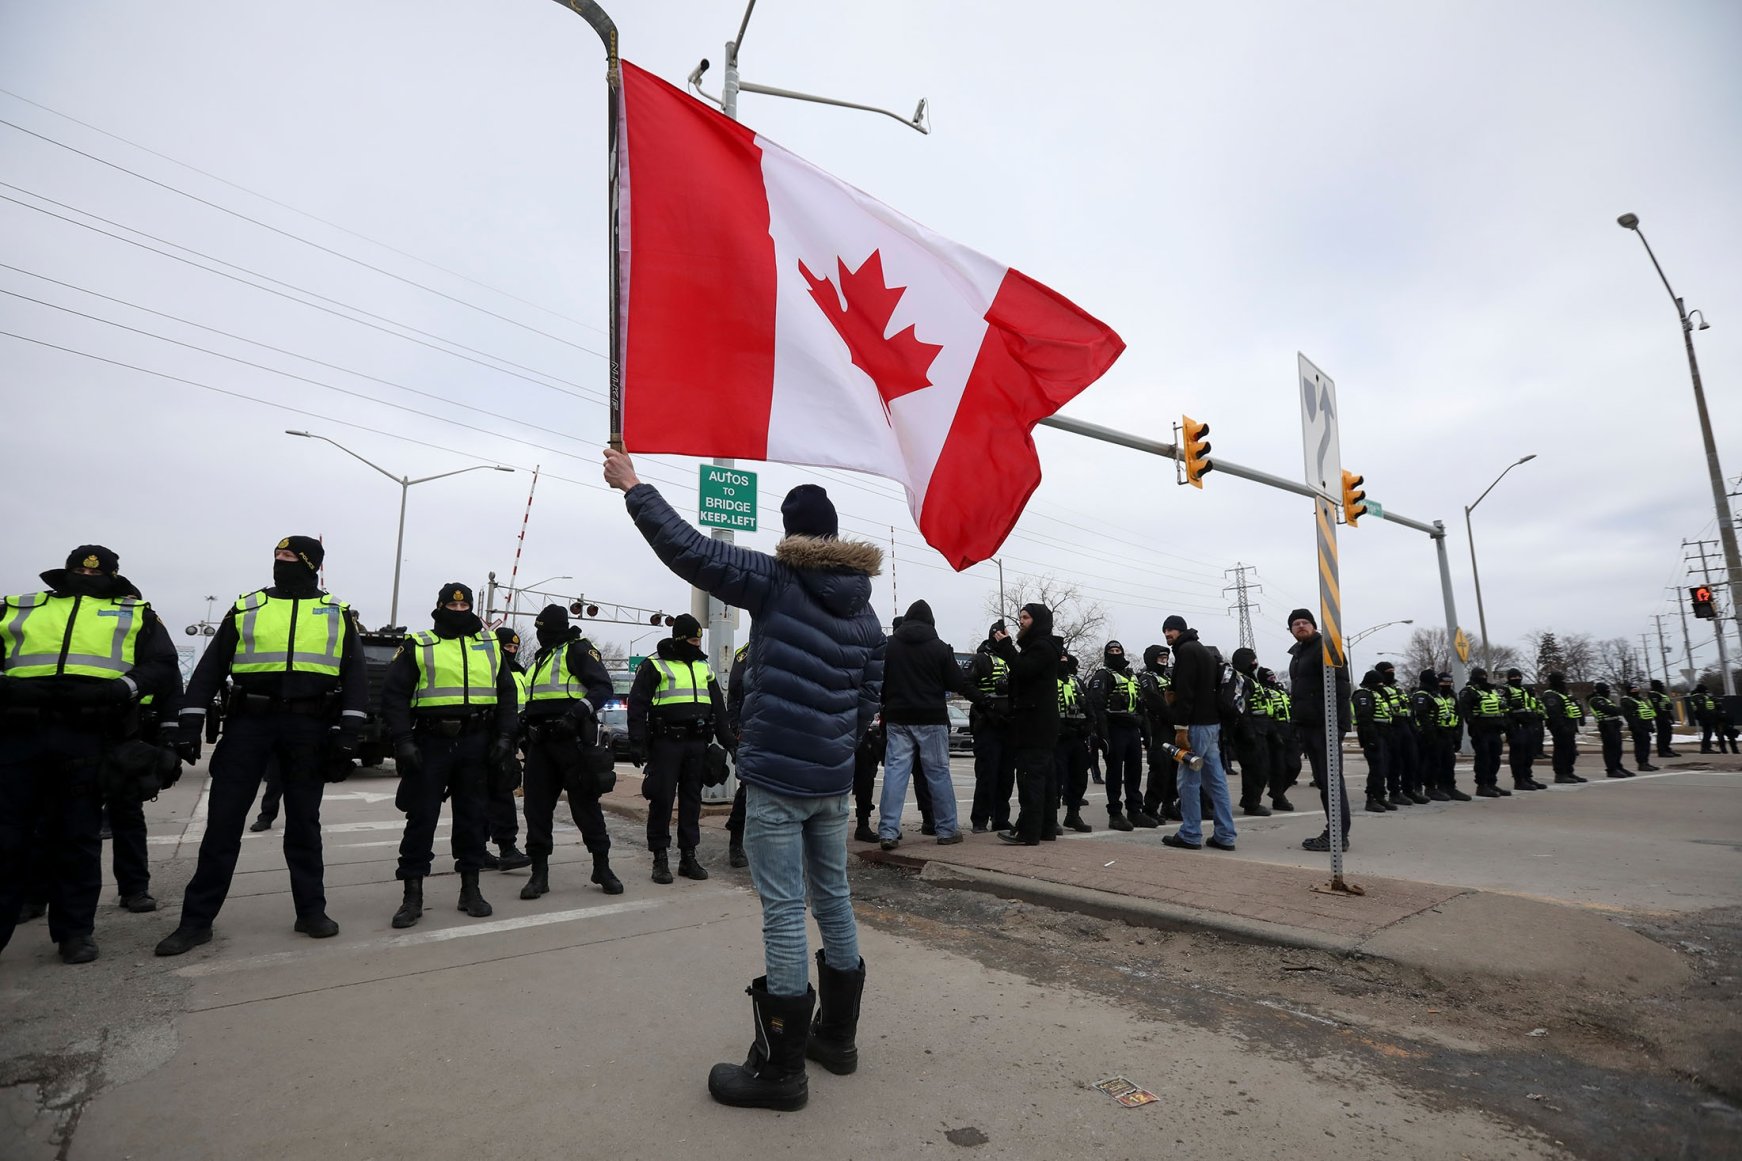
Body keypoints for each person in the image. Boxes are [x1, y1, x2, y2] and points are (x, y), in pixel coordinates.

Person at [605, 451, 882, 1112]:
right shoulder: (869, 617)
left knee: (785, 908)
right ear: (838, 536)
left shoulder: (776, 581)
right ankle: (835, 1039)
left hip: (778, 780)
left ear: (789, 533)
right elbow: (868, 706)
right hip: (830, 781)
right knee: (834, 896)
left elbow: (689, 551)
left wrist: (635, 487)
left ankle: (780, 1069)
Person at [157, 537, 364, 957]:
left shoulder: (335, 613)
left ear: (309, 564)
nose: (279, 563)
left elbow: (355, 677)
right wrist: (189, 719)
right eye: (277, 556)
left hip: (308, 727)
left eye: (288, 557)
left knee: (304, 824)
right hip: (249, 723)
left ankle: (311, 912)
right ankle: (196, 922)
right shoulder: (248, 607)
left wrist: (348, 735)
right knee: (223, 823)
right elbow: (210, 667)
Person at [1, 546, 181, 964]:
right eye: (79, 569)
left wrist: (120, 690)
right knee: (8, 837)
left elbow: (162, 667)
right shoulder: (20, 607)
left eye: (95, 570)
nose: (87, 574)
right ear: (65, 571)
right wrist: (8, 687)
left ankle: (75, 932)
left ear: (114, 575)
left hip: (87, 732)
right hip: (18, 732)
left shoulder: (135, 613)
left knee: (79, 838)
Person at [380, 583, 520, 929]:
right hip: (431, 743)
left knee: (473, 818)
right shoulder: (419, 644)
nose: (459, 612)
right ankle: (412, 896)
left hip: (478, 742)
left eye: (465, 606)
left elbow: (506, 695)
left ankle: (470, 890)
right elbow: (394, 696)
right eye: (452, 607)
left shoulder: (489, 644)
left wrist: (505, 737)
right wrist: (403, 741)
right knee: (421, 819)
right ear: (440, 607)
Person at [519, 604, 619, 898]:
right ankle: (539, 874)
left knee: (585, 807)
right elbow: (534, 699)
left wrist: (575, 714)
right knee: (536, 809)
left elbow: (602, 688)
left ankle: (602, 867)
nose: (538, 635)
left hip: (571, 743)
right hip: (539, 745)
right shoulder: (540, 658)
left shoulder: (577, 650)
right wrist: (523, 718)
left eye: (542, 629)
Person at [627, 614, 731, 883]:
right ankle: (660, 858)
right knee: (661, 799)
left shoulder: (703, 666)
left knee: (691, 802)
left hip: (697, 743)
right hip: (666, 743)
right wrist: (637, 742)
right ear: (681, 640)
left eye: (699, 640)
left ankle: (688, 857)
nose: (698, 645)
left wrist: (730, 742)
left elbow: (718, 709)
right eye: (694, 640)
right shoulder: (655, 665)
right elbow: (637, 705)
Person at [877, 600, 975, 850]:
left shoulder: (889, 646)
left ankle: (888, 831)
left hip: (898, 716)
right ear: (931, 621)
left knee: (895, 773)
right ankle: (947, 829)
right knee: (938, 773)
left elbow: (878, 679)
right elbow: (955, 681)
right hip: (931, 717)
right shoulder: (940, 648)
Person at [1159, 616, 1236, 852]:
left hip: (1195, 725)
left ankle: (1190, 834)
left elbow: (1186, 692)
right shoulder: (1202, 650)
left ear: (1181, 630)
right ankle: (1225, 835)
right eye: (1165, 630)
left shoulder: (1186, 652)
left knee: (1188, 781)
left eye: (1171, 629)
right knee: (1216, 781)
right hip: (1212, 723)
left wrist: (1181, 727)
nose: (1167, 633)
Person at [994, 604, 1061, 844]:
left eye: (1026, 617)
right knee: (1044, 777)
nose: (1021, 621)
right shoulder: (1039, 646)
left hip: (1034, 723)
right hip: (1037, 721)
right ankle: (1045, 828)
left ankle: (1029, 831)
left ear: (1039, 621)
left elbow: (1024, 670)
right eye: (1021, 617)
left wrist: (1006, 648)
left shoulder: (1042, 646)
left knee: (1029, 776)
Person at [1286, 609, 1351, 851]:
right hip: (1309, 727)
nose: (1301, 626)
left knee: (1332, 781)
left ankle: (1338, 835)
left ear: (1313, 626)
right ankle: (1334, 831)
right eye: (1295, 624)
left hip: (1326, 727)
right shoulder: (1297, 655)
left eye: (1305, 622)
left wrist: (1338, 725)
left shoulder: (1326, 647)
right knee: (1324, 782)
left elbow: (1341, 688)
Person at [480, 626, 533, 873]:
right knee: (477, 797)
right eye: (506, 648)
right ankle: (477, 849)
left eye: (514, 648)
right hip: (484, 737)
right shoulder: (485, 669)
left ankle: (507, 848)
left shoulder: (521, 672)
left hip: (510, 739)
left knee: (502, 793)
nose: (510, 652)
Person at [1087, 640, 1154, 831]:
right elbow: (1097, 708)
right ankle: (1115, 814)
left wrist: (1146, 732)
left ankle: (1135, 811)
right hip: (1114, 730)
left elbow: (1142, 706)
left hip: (1132, 729)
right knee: (1115, 772)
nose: (1116, 653)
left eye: (1118, 650)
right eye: (1112, 651)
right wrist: (1103, 737)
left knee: (1135, 771)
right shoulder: (1102, 676)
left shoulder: (1131, 676)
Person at [965, 622, 1014, 833]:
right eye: (1003, 632)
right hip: (987, 724)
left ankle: (1001, 818)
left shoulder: (1011, 659)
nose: (1006, 635)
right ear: (995, 634)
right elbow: (965, 684)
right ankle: (980, 820)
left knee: (1006, 775)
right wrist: (985, 703)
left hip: (1009, 724)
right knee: (987, 774)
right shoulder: (980, 659)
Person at [1228, 648, 1279, 817]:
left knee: (1261, 768)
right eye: (1251, 660)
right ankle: (1251, 803)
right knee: (1255, 768)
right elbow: (1239, 705)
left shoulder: (1251, 679)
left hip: (1260, 728)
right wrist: (1247, 730)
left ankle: (1251, 799)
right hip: (1250, 730)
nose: (1254, 663)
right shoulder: (1240, 680)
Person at [1136, 644, 1178, 821]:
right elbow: (1154, 700)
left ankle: (1168, 805)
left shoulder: (1168, 676)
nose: (1164, 661)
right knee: (1159, 769)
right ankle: (1150, 808)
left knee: (1174, 768)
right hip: (1156, 728)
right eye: (1161, 658)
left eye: (1166, 658)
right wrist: (1172, 715)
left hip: (1173, 729)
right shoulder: (1146, 678)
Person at [1375, 662, 1426, 805]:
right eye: (1388, 671)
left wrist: (1413, 728)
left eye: (1393, 670)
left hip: (1405, 725)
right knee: (1394, 762)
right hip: (1391, 727)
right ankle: (1394, 793)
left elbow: (1408, 708)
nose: (1391, 673)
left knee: (1411, 759)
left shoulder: (1398, 688)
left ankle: (1409, 790)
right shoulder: (1379, 690)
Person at [1056, 647, 1094, 832]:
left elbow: (1089, 707)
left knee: (1079, 778)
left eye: (1065, 656)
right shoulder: (1047, 680)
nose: (1063, 660)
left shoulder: (1077, 681)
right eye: (1059, 657)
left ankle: (1073, 814)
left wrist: (1088, 726)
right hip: (1057, 738)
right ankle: (1050, 817)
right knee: (1055, 779)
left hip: (1077, 737)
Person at [1458, 667, 1511, 798]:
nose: (1483, 678)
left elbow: (1501, 706)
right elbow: (1465, 709)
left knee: (1495, 757)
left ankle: (1491, 783)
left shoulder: (1491, 690)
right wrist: (1473, 723)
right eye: (1481, 676)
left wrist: (1504, 722)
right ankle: (1482, 786)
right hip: (1480, 729)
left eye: (1484, 675)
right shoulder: (1468, 691)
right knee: (1483, 757)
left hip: (1495, 728)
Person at [727, 642, 755, 864]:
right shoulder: (746, 653)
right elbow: (735, 694)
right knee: (748, 787)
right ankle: (736, 841)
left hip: (782, 728)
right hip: (751, 730)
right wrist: (736, 729)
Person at [1352, 671, 1393, 814]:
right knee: (1376, 769)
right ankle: (1371, 799)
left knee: (1383, 768)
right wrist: (1371, 739)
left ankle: (1380, 796)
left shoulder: (1376, 694)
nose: (1381, 686)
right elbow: (1364, 719)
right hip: (1372, 736)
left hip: (1382, 735)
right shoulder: (1363, 695)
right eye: (1379, 683)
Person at [1258, 667, 1299, 806]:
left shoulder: (1282, 691)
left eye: (1273, 676)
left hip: (1290, 729)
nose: (1272, 679)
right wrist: (1273, 732)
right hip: (1275, 730)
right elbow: (1265, 713)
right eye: (1269, 677)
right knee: (1279, 767)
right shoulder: (1263, 692)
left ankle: (1277, 791)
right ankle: (1278, 797)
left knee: (1295, 766)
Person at [1409, 669, 1451, 802]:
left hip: (1440, 732)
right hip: (1425, 735)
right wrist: (1430, 733)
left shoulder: (1434, 694)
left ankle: (1432, 788)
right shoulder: (1421, 695)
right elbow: (1422, 716)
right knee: (1422, 762)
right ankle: (1419, 788)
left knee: (1435, 762)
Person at [1501, 669, 1546, 791]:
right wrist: (1510, 709)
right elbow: (1501, 707)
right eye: (1513, 677)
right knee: (1518, 754)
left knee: (1529, 753)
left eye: (1518, 676)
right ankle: (1519, 780)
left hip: (1528, 724)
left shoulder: (1524, 689)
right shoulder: (1505, 690)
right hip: (1515, 725)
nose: (1516, 679)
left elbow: (1530, 706)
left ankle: (1527, 777)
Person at [1539, 672, 1587, 785]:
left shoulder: (1562, 693)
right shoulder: (1550, 695)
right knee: (1561, 750)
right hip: (1560, 727)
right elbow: (1553, 713)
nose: (1563, 682)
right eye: (1561, 680)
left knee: (1570, 750)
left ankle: (1569, 771)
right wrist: (1561, 727)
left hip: (1569, 725)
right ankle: (1560, 774)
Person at [1428, 672, 1471, 800]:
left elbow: (1459, 717)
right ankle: (1432, 788)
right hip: (1436, 734)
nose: (1446, 685)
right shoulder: (1433, 696)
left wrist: (1458, 737)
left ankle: (1449, 788)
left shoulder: (1453, 697)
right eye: (1443, 683)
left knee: (1449, 763)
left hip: (1449, 734)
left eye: (1448, 683)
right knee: (1435, 763)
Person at [1587, 682, 1630, 777]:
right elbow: (1610, 710)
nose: (1608, 691)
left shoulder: (1607, 700)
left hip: (1614, 725)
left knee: (1618, 748)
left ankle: (1618, 766)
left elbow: (1615, 710)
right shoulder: (1595, 700)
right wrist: (1619, 710)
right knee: (1610, 748)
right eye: (1606, 689)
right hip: (1606, 725)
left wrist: (1618, 712)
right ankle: (1611, 769)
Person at [1618, 681, 1660, 773]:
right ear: (1629, 691)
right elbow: (1629, 715)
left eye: (1637, 689)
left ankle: (1646, 762)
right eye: (1633, 689)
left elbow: (1647, 712)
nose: (1636, 691)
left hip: (1645, 725)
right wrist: (1635, 727)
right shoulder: (1627, 701)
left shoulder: (1640, 700)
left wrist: (1651, 726)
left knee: (1646, 745)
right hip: (1638, 726)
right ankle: (1641, 764)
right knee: (1640, 746)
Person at [1646, 679, 1679, 759]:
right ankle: (1662, 751)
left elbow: (1666, 704)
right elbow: (1656, 707)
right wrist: (1660, 716)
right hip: (1659, 716)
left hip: (1665, 714)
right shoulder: (1653, 694)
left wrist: (1670, 714)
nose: (1662, 686)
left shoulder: (1662, 694)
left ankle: (1667, 748)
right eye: (1660, 685)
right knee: (1662, 734)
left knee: (1668, 733)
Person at [1689, 684, 1721, 753]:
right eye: (1705, 690)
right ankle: (1705, 748)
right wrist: (1707, 715)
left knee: (1708, 732)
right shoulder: (1698, 697)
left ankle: (1707, 748)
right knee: (1707, 733)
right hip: (1704, 717)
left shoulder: (1700, 697)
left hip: (1706, 717)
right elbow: (1701, 708)